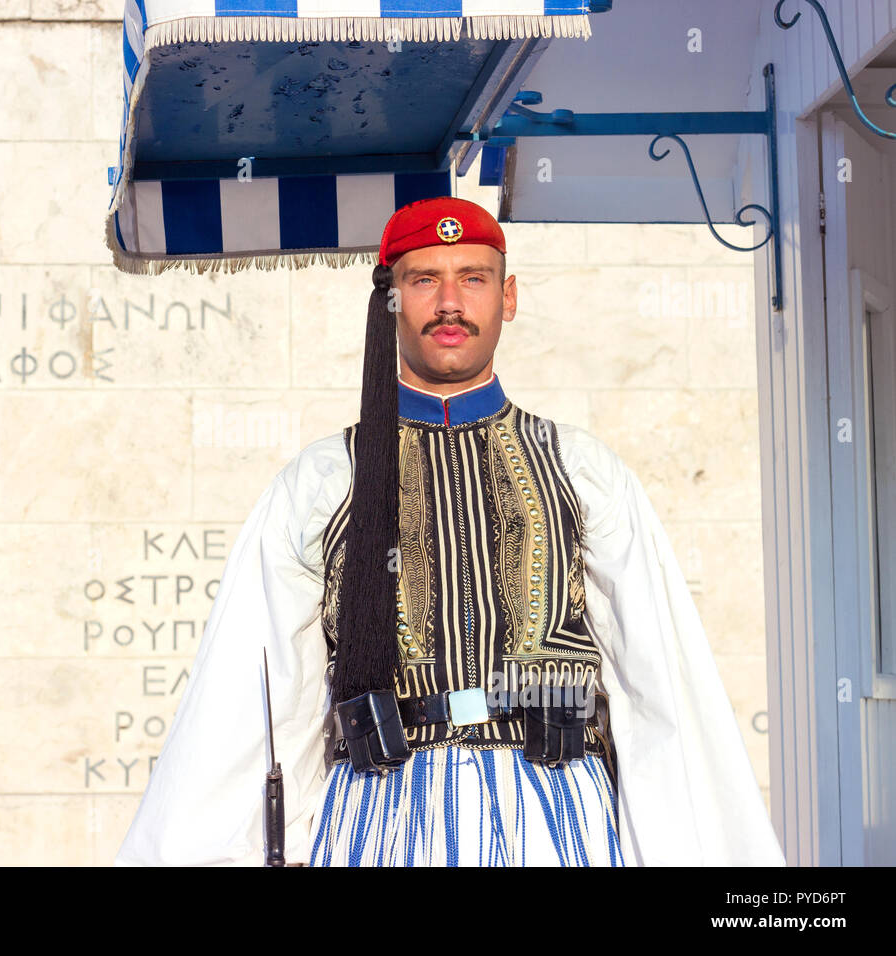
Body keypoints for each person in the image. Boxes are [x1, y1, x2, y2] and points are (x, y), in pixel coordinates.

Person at [114, 195, 786, 867]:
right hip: (383, 815)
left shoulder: (581, 470)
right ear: (391, 302)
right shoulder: (323, 481)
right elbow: (256, 692)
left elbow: (657, 679)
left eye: (473, 277)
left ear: (509, 296)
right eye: (423, 279)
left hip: (554, 819)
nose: (450, 302)